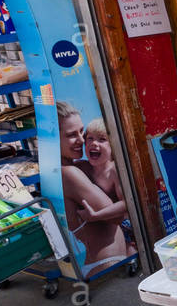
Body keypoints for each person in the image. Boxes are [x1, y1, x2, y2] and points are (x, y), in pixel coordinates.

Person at [57, 101, 126, 274]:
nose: (81, 140)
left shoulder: (75, 168)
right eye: (71, 135)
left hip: (101, 261)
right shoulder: (69, 173)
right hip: (106, 262)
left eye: (82, 132)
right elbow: (117, 217)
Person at [80, 118, 136, 258]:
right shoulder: (84, 167)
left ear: (113, 147)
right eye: (90, 138)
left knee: (130, 254)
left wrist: (96, 216)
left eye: (102, 139)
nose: (94, 143)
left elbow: (126, 203)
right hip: (103, 225)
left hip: (124, 225)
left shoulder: (113, 170)